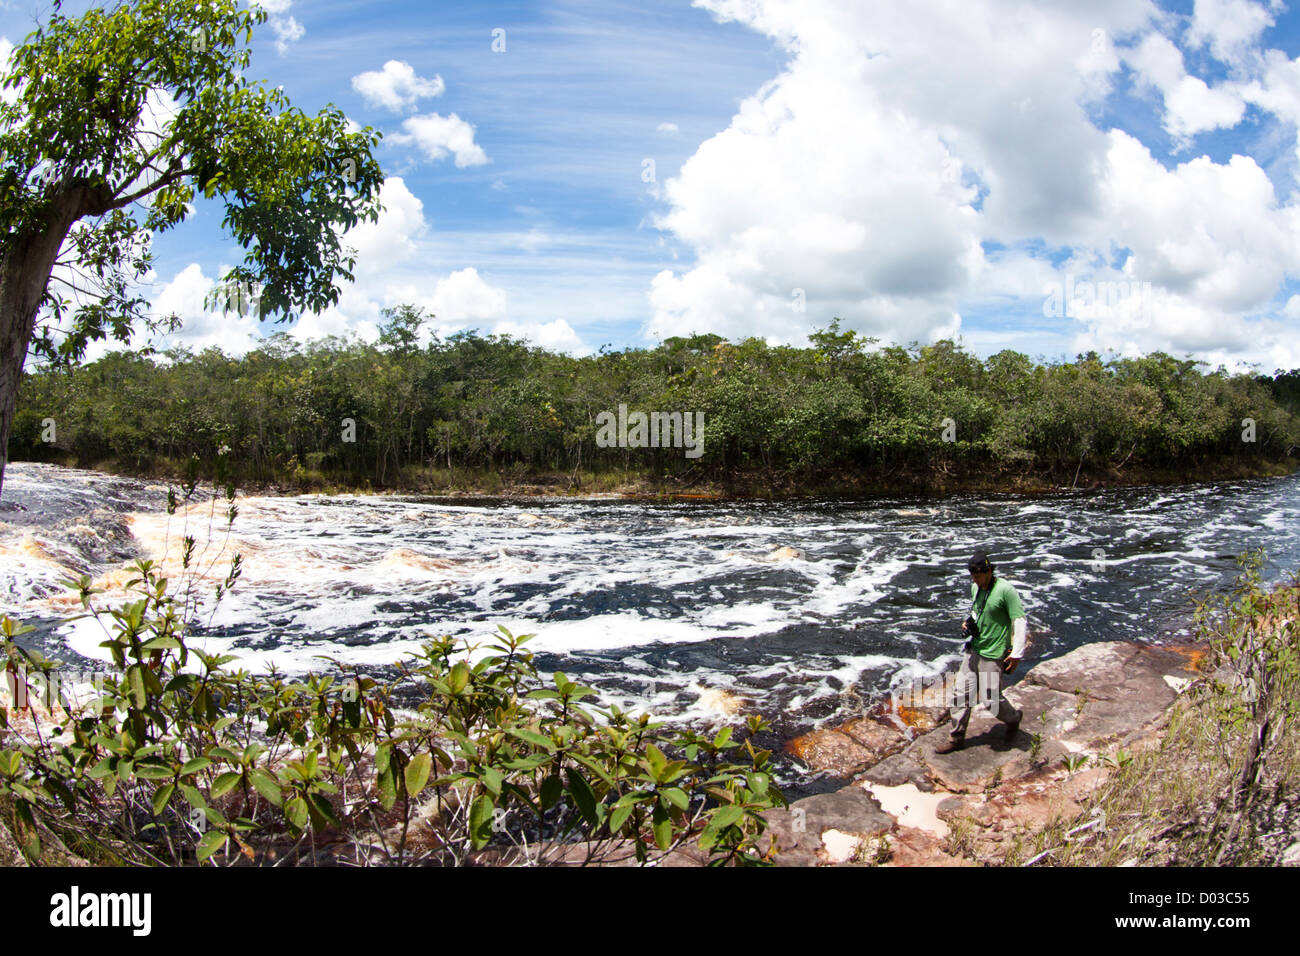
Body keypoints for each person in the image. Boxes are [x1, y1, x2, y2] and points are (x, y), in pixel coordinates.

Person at [935, 550, 1027, 753]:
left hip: (993, 653)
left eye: (979, 575)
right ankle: (956, 737)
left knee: (990, 699)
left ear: (989, 571)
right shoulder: (975, 588)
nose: (975, 579)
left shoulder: (1006, 590)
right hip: (974, 649)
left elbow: (1019, 620)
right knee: (960, 694)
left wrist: (1016, 654)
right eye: (972, 575)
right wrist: (968, 624)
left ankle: (1013, 719)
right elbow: (977, 611)